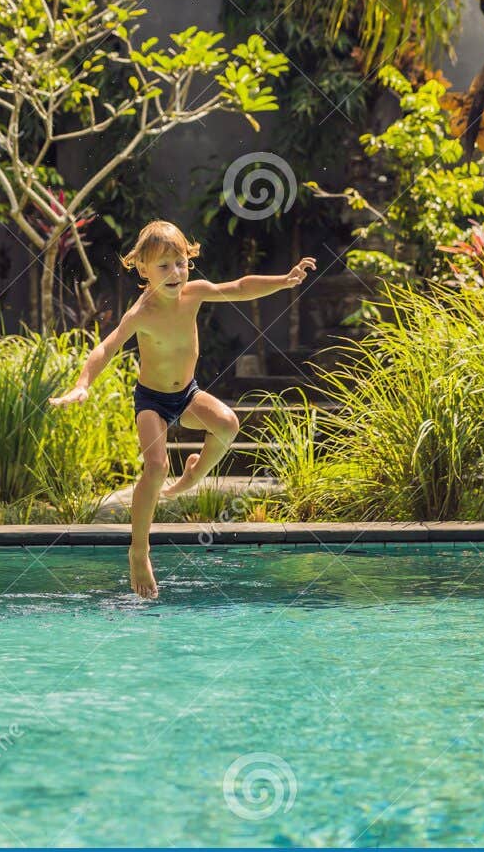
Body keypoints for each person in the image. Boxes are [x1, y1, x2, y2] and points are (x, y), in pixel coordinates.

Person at [49, 220, 315, 598]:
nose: (175, 273)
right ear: (142, 269)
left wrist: (283, 280)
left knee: (228, 423)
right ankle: (139, 550)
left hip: (186, 395)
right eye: (164, 266)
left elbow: (238, 287)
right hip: (152, 402)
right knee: (156, 467)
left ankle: (191, 479)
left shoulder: (194, 293)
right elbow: (106, 348)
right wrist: (82, 384)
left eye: (181, 263)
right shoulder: (141, 312)